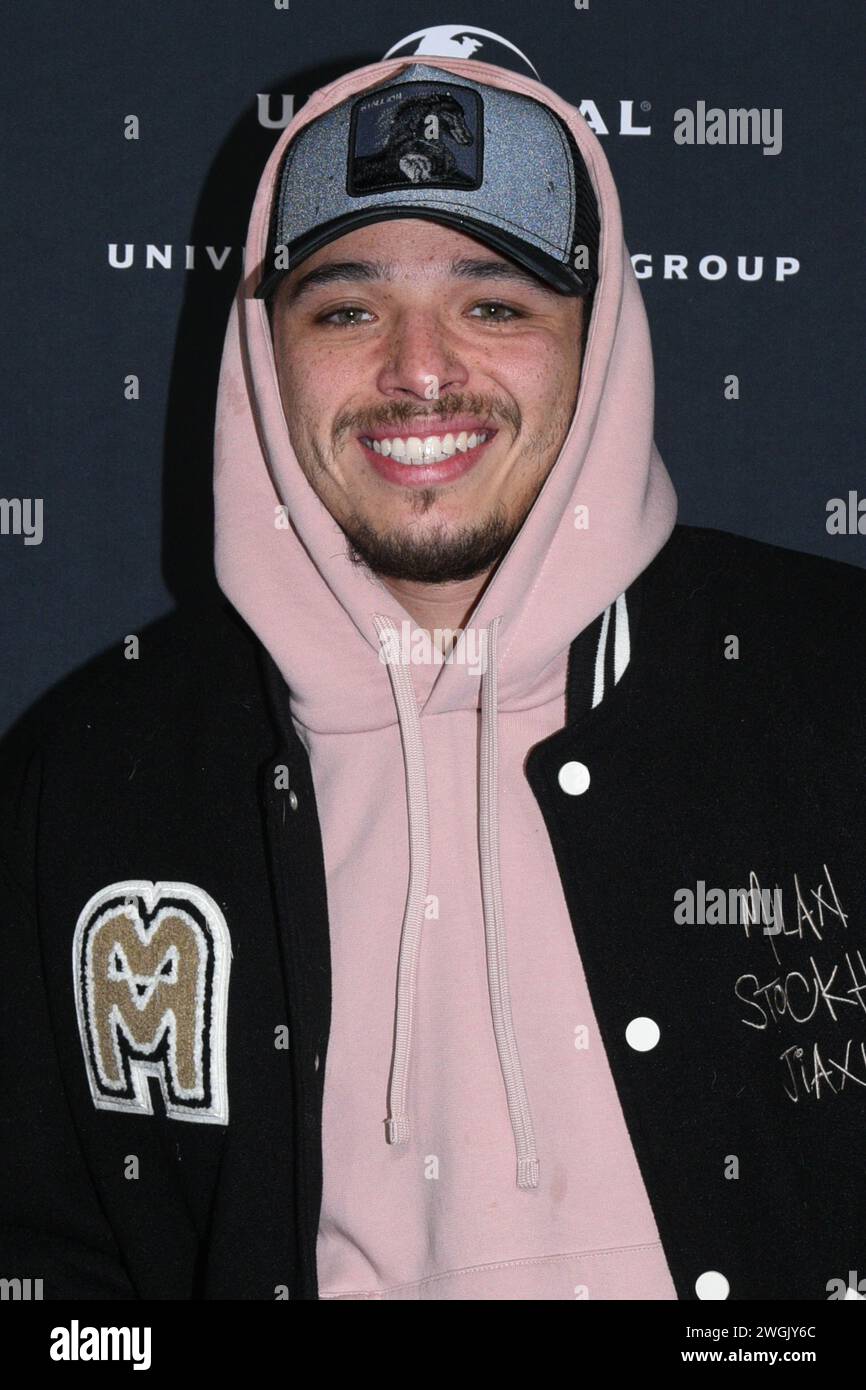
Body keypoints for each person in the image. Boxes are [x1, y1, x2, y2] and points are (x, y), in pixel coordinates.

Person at [2, 54, 865, 1303]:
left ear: (598, 335)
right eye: (344, 309)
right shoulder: (90, 775)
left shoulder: (831, 686)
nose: (418, 371)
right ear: (265, 349)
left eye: (495, 304)